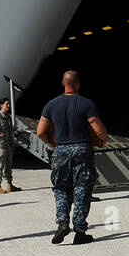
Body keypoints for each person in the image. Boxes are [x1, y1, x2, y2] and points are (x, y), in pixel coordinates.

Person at [36, 71, 108, 245]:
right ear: (78, 84)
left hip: (60, 150)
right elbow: (98, 131)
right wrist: (103, 140)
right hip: (82, 149)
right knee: (82, 189)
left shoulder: (51, 105)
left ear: (63, 83)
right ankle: (80, 231)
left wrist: (52, 143)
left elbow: (40, 131)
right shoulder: (86, 104)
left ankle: (62, 222)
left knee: (61, 188)